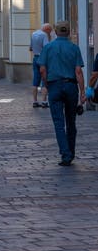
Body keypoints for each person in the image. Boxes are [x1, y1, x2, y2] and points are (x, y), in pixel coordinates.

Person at [38, 21, 85, 166]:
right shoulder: (74, 48)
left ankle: (66, 154)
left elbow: (42, 70)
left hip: (55, 86)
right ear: (68, 32)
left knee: (58, 123)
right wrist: (82, 92)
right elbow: (78, 71)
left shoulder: (48, 47)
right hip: (71, 86)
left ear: (56, 32)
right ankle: (71, 151)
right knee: (71, 122)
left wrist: (46, 84)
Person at [29, 23, 52, 108]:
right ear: (47, 29)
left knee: (35, 80)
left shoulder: (33, 34)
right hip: (43, 59)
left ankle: (35, 101)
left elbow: (30, 48)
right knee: (44, 80)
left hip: (35, 58)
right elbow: (46, 48)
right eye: (50, 31)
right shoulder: (44, 35)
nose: (50, 33)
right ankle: (44, 101)